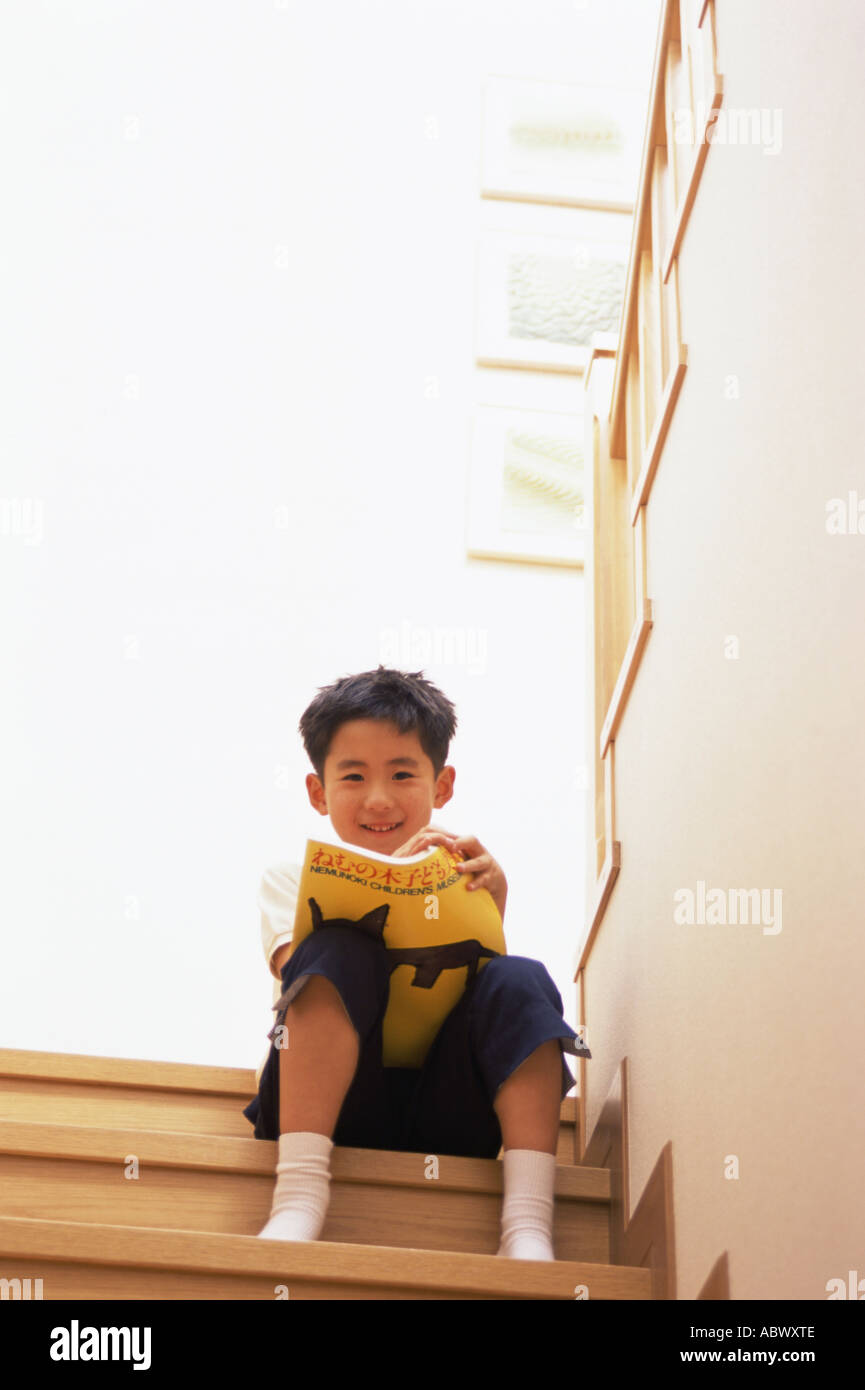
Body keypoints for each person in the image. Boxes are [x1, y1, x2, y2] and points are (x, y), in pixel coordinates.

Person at [242, 665, 591, 1260]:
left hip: (446, 1110)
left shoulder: (463, 877)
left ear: (443, 784)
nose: (378, 799)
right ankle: (298, 1195)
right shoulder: (287, 879)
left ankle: (528, 1224)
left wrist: (492, 902)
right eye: (353, 776)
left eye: (403, 773)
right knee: (336, 949)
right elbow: (299, 971)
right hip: (337, 1103)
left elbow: (487, 999)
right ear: (318, 792)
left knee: (521, 976)